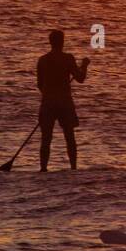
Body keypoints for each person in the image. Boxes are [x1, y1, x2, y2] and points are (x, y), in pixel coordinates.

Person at [36, 29, 89, 171]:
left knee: (46, 138)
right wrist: (84, 65)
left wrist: (49, 96)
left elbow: (40, 85)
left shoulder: (42, 60)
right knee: (70, 137)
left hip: (47, 103)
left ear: (50, 42)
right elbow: (80, 78)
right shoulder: (68, 58)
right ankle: (73, 168)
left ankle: (43, 169)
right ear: (62, 42)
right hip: (64, 103)